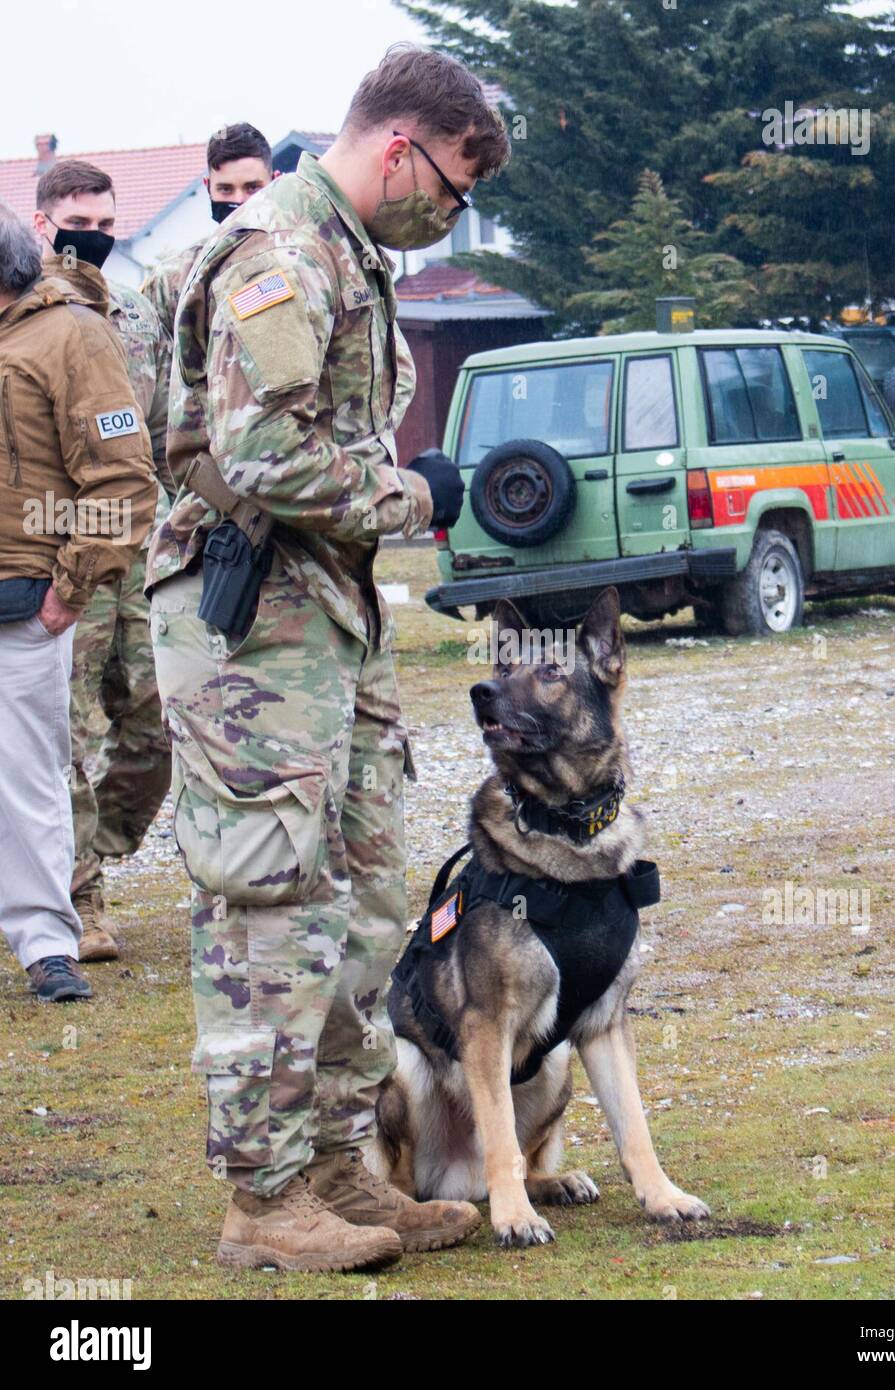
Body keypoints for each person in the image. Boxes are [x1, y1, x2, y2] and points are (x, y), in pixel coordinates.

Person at [146, 42, 508, 1273]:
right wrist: (416, 495)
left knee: (355, 895)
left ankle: (334, 1167)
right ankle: (260, 1196)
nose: (450, 214)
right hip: (254, 631)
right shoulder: (281, 255)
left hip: (326, 616)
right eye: (453, 187)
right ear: (402, 147)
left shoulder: (347, 258)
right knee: (267, 901)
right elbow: (261, 458)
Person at [0, 210, 157, 1001]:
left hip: (21, 603)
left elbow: (124, 480)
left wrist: (70, 587)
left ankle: (46, 943)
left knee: (29, 781)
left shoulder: (71, 335)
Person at [33, 160, 176, 963]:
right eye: (76, 220)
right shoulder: (30, 315)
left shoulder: (136, 316)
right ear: (45, 220)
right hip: (66, 548)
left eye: (104, 220)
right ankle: (77, 897)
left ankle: (90, 849)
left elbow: (157, 437)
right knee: (71, 734)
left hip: (143, 557)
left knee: (158, 726)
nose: (92, 234)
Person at [141, 123, 275, 339]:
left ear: (274, 182)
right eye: (225, 189)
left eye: (252, 188)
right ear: (208, 187)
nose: (239, 200)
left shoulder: (305, 261)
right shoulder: (173, 279)